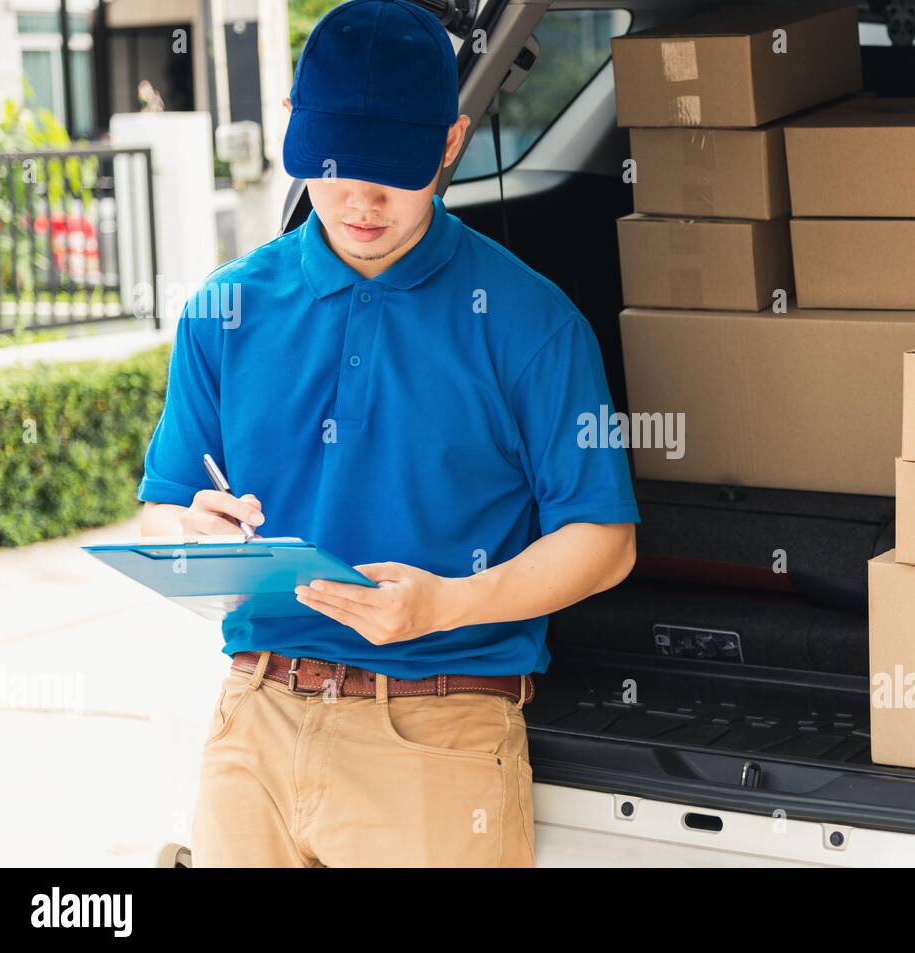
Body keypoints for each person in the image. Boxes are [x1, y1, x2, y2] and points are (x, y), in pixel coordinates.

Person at [138, 0, 639, 867]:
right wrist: (191, 536)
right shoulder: (224, 309)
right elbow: (161, 513)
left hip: (440, 729)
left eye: (391, 174)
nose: (361, 202)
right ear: (294, 126)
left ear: (449, 142)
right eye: (335, 170)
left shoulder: (531, 323)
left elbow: (606, 540)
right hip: (252, 722)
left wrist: (445, 603)